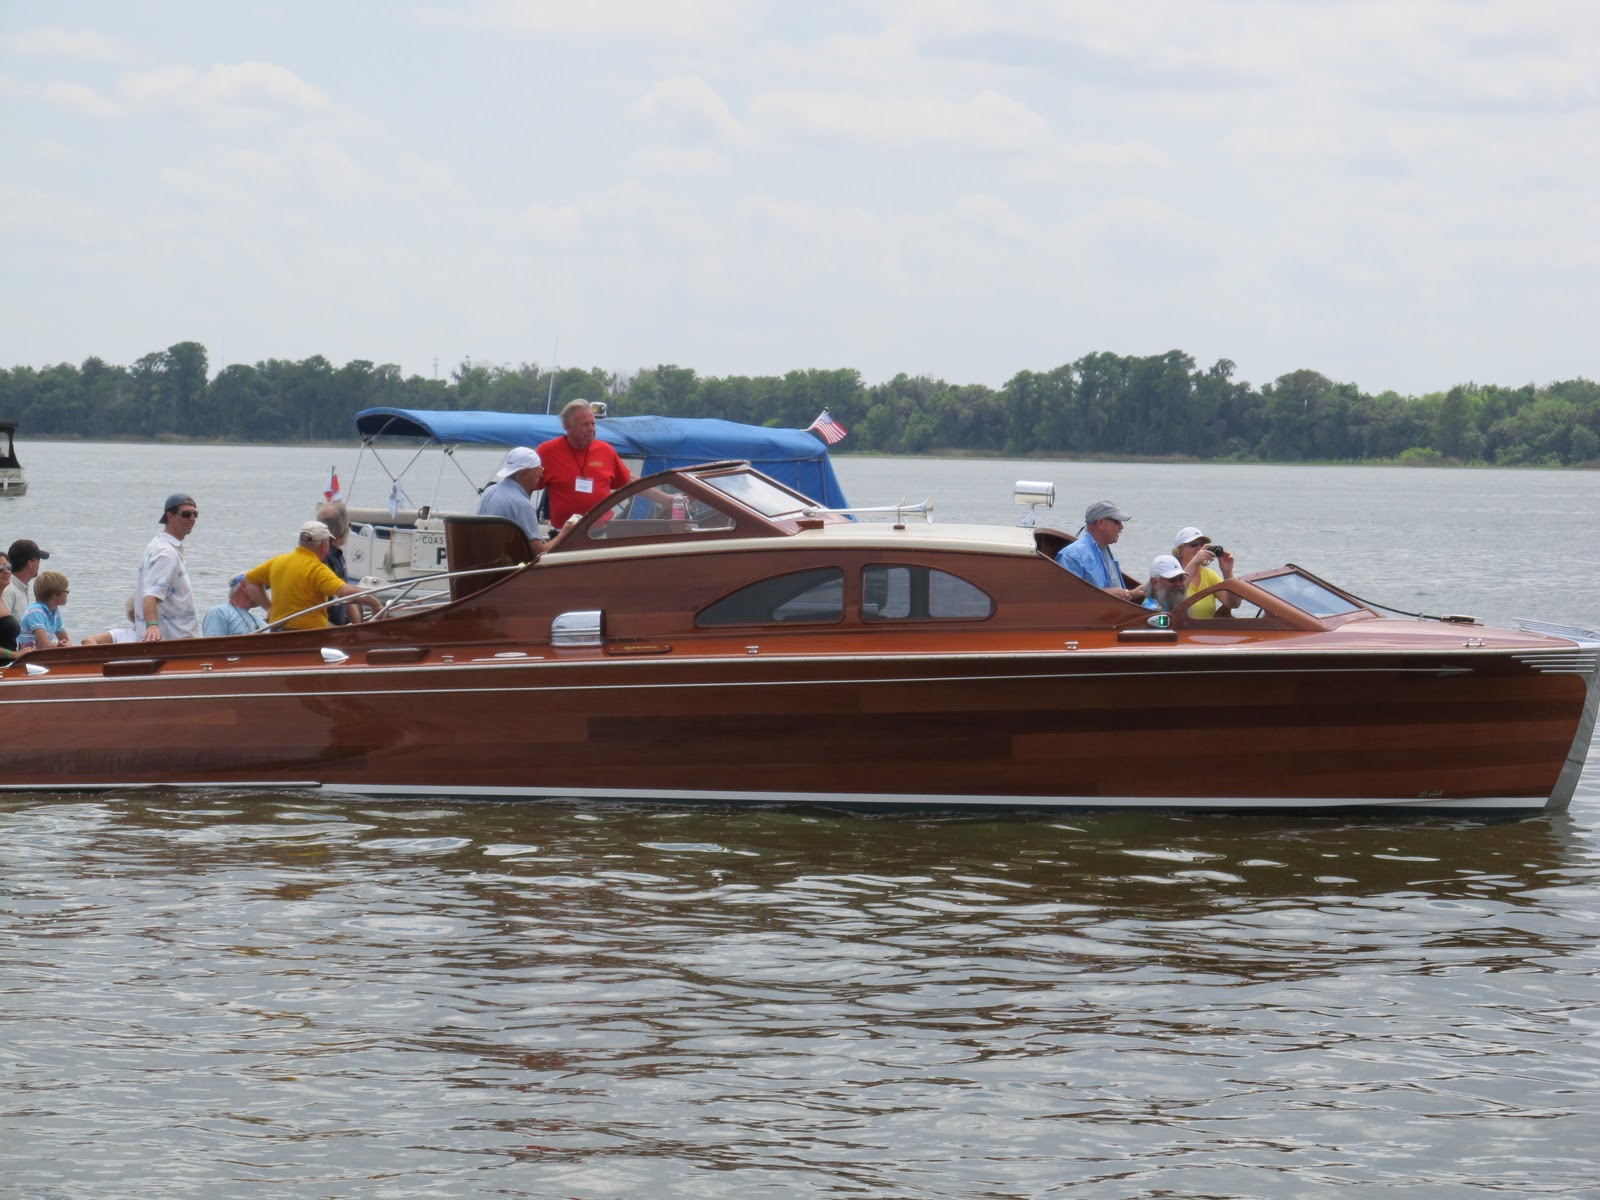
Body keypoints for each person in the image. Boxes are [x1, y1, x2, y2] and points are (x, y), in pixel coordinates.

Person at [245, 520, 383, 631]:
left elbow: (249, 580)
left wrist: (269, 608)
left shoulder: (278, 561)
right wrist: (374, 602)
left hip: (277, 632)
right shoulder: (316, 570)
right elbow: (345, 592)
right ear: (324, 545)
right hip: (310, 634)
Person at [537, 399, 632, 530]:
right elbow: (524, 485)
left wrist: (665, 498)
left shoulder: (605, 450)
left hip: (600, 533)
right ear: (567, 425)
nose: (591, 429)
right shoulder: (547, 451)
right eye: (585, 424)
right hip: (563, 535)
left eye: (593, 424)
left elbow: (629, 480)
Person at [137, 493, 200, 641]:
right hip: (172, 640)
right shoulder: (166, 553)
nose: (192, 518)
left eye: (195, 514)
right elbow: (150, 595)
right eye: (186, 514)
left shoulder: (159, 544)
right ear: (170, 516)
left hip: (174, 638)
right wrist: (152, 626)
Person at [1055, 500, 1143, 602]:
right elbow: (1066, 599)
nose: (1121, 527)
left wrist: (1130, 594)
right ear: (1101, 523)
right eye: (1117, 522)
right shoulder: (1071, 556)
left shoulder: (1105, 551)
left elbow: (1113, 593)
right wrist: (1106, 594)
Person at [476, 446, 547, 547]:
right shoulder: (522, 504)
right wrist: (564, 534)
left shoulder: (489, 491)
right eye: (538, 469)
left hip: (484, 557)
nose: (541, 474)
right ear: (526, 473)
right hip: (507, 561)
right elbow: (539, 554)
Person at [1172, 525, 1238, 618]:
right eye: (1194, 544)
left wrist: (1227, 572)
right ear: (1180, 551)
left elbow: (1234, 604)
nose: (1199, 548)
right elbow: (1175, 599)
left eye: (1202, 545)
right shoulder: (1172, 575)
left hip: (1204, 631)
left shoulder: (1209, 575)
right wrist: (1195, 562)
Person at [316, 501, 359, 625]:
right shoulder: (324, 556)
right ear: (343, 529)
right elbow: (343, 592)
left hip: (336, 625)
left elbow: (344, 595)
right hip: (324, 626)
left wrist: (357, 627)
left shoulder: (336, 555)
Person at [19, 569, 72, 649]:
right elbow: (44, 646)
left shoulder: (54, 611)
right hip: (26, 656)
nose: (67, 593)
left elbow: (66, 640)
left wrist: (65, 644)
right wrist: (58, 646)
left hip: (39, 654)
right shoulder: (35, 611)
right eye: (66, 591)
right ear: (55, 594)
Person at [202, 574, 267, 637]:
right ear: (244, 585)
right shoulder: (219, 612)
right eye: (261, 588)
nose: (265, 594)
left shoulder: (259, 620)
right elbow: (213, 645)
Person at [5, 538, 48, 617]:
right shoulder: (8, 591)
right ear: (30, 564)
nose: (39, 563)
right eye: (37, 560)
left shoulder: (20, 588)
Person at [0, 551, 25, 663]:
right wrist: (14, 654)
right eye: (0, 568)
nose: (7, 572)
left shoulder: (3, 600)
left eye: (8, 567)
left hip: (8, 669)